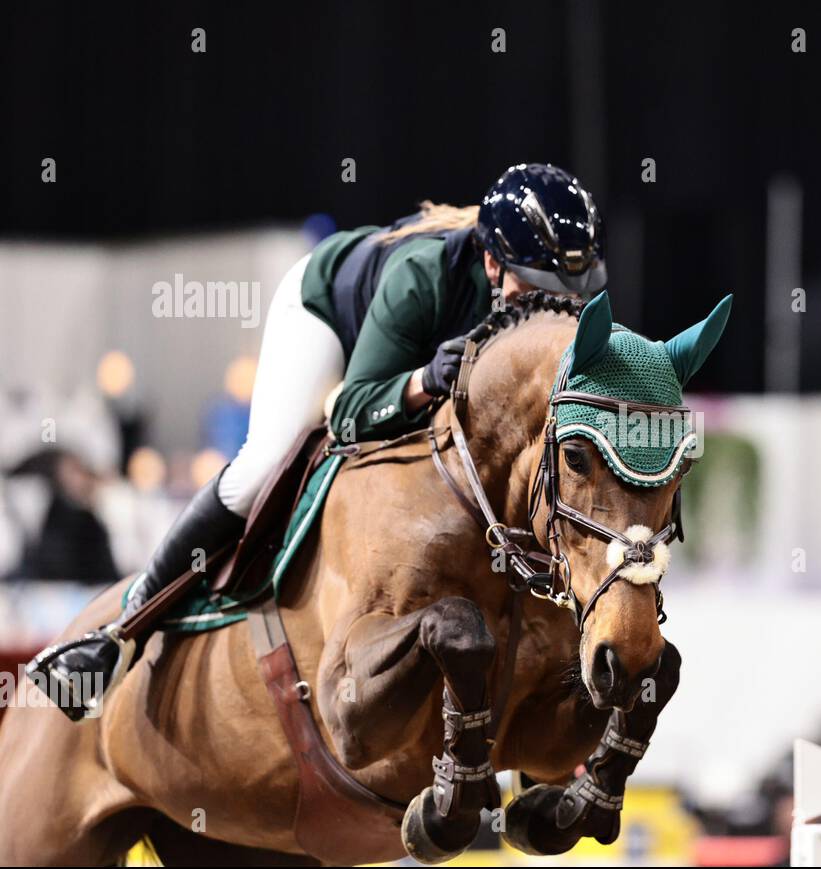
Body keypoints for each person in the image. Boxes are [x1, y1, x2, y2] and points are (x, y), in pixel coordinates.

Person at [29, 163, 607, 720]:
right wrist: (421, 381)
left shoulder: (550, 302)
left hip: (406, 350)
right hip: (328, 314)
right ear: (491, 263)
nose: (556, 307)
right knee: (264, 461)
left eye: (573, 289)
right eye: (540, 288)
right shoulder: (422, 278)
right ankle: (121, 632)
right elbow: (351, 412)